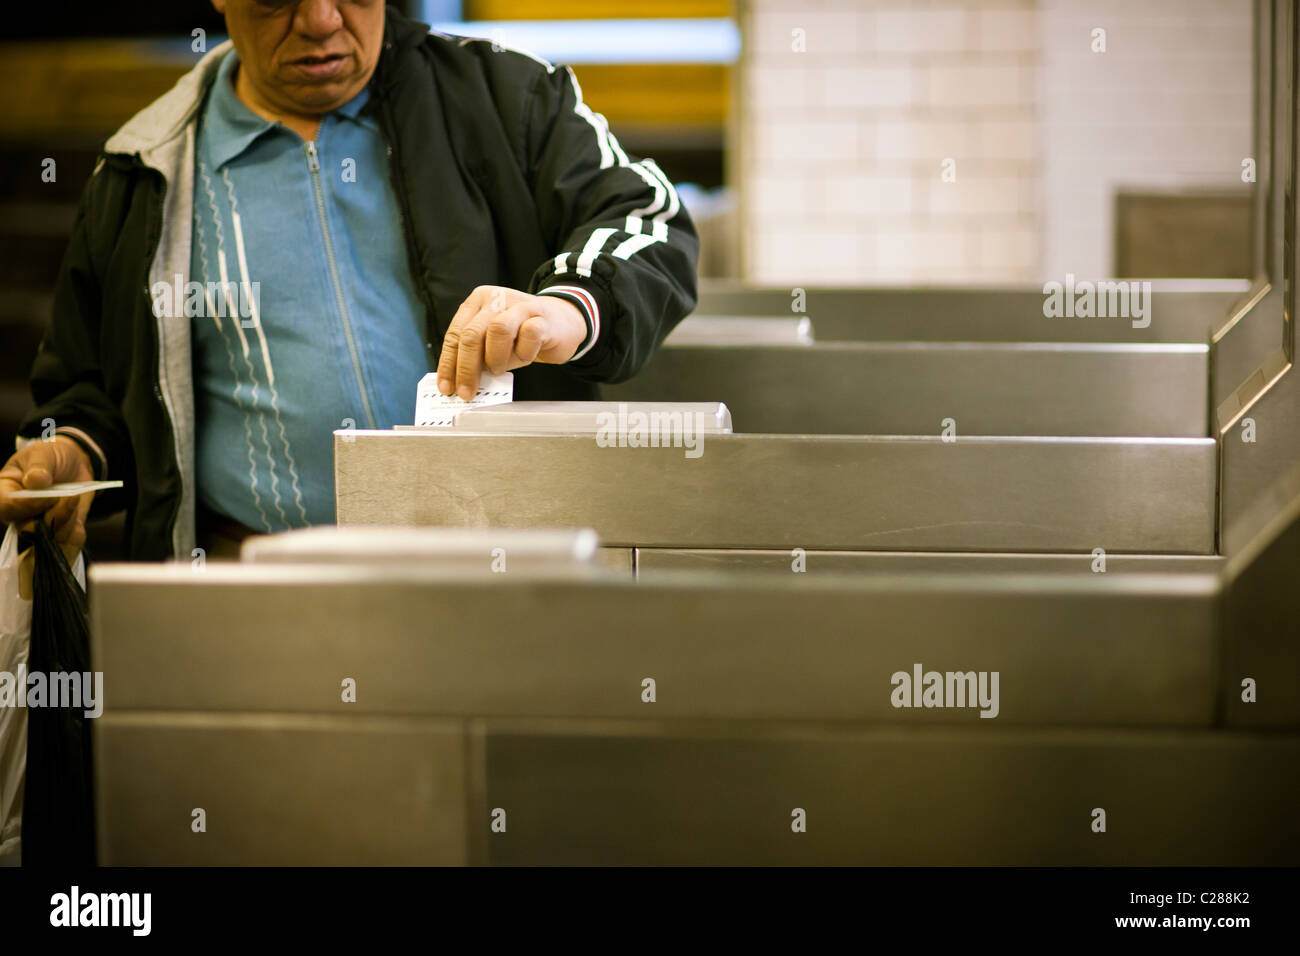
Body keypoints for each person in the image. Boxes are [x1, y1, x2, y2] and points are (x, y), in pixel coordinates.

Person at [0, 1, 698, 560]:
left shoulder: (504, 96)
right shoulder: (144, 169)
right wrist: (75, 452)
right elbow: (98, 386)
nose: (321, 20)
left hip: (508, 578)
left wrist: (568, 307)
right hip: (257, 596)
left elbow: (645, 213)